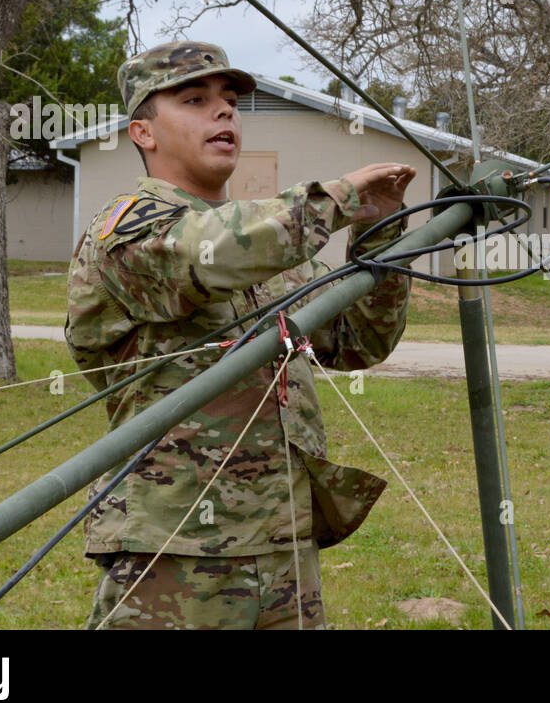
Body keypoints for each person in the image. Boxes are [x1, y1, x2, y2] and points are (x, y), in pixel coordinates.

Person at [65, 41, 417, 629]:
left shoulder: (267, 244)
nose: (225, 112)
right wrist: (337, 198)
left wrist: (379, 234)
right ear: (144, 133)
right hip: (177, 547)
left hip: (283, 540)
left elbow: (359, 339)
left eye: (230, 101)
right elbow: (214, 253)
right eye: (195, 100)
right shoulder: (127, 230)